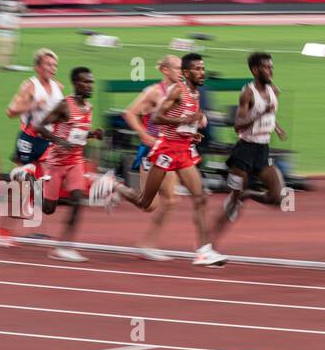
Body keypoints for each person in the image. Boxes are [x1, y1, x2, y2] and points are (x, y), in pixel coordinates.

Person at [111, 53, 226, 266]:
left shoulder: (195, 93)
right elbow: (155, 117)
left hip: (183, 151)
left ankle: (204, 250)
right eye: (198, 69)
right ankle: (116, 187)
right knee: (147, 203)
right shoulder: (173, 90)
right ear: (185, 72)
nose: (202, 73)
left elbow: (184, 123)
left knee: (199, 197)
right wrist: (180, 122)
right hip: (165, 151)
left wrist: (192, 132)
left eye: (203, 69)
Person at [212, 52, 289, 243]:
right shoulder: (247, 93)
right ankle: (208, 244)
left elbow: (271, 114)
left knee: (278, 198)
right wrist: (262, 112)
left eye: (272, 66)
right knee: (232, 201)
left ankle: (247, 195)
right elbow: (238, 125)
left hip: (263, 150)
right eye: (266, 67)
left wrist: (276, 127)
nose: (271, 70)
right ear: (255, 70)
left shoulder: (274, 90)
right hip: (244, 151)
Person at [34, 67, 107, 262]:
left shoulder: (88, 108)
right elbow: (39, 126)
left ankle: (65, 246)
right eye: (86, 82)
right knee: (49, 209)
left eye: (91, 82)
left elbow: (78, 132)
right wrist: (59, 141)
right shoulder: (64, 105)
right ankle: (32, 186)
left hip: (75, 161)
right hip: (56, 162)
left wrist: (93, 134)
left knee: (77, 200)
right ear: (76, 84)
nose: (90, 85)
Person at [0, 48, 64, 247]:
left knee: (49, 182)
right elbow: (11, 111)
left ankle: (38, 229)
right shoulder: (30, 87)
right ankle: (3, 230)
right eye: (48, 65)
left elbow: (63, 114)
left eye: (54, 65)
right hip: (28, 140)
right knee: (21, 188)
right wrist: (32, 106)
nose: (52, 68)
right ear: (37, 67)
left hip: (48, 141)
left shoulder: (58, 87)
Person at [119, 55, 183, 260]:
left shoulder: (181, 92)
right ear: (165, 70)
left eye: (182, 68)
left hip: (170, 151)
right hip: (152, 152)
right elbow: (129, 113)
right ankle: (114, 186)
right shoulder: (154, 92)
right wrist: (144, 134)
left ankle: (148, 244)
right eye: (177, 68)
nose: (181, 72)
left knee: (172, 200)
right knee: (149, 205)